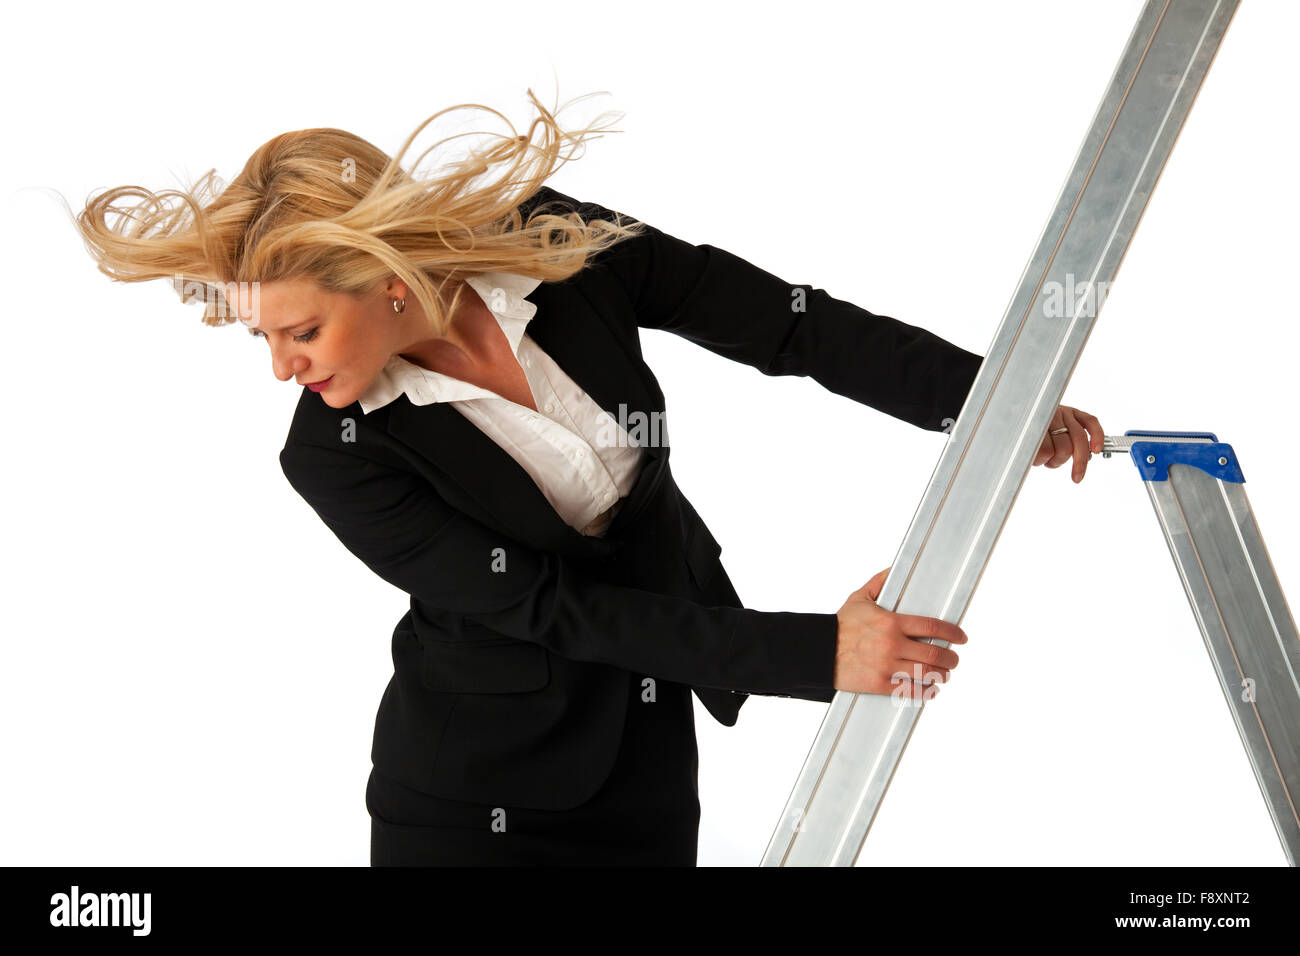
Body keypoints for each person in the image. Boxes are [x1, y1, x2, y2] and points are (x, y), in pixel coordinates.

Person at [70, 90, 1103, 866]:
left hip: (645, 760)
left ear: (389, 280)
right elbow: (553, 606)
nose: (283, 366)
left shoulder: (553, 242)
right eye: (266, 338)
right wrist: (818, 650)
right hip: (469, 800)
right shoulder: (334, 454)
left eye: (299, 330)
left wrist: (991, 403)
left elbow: (784, 324)